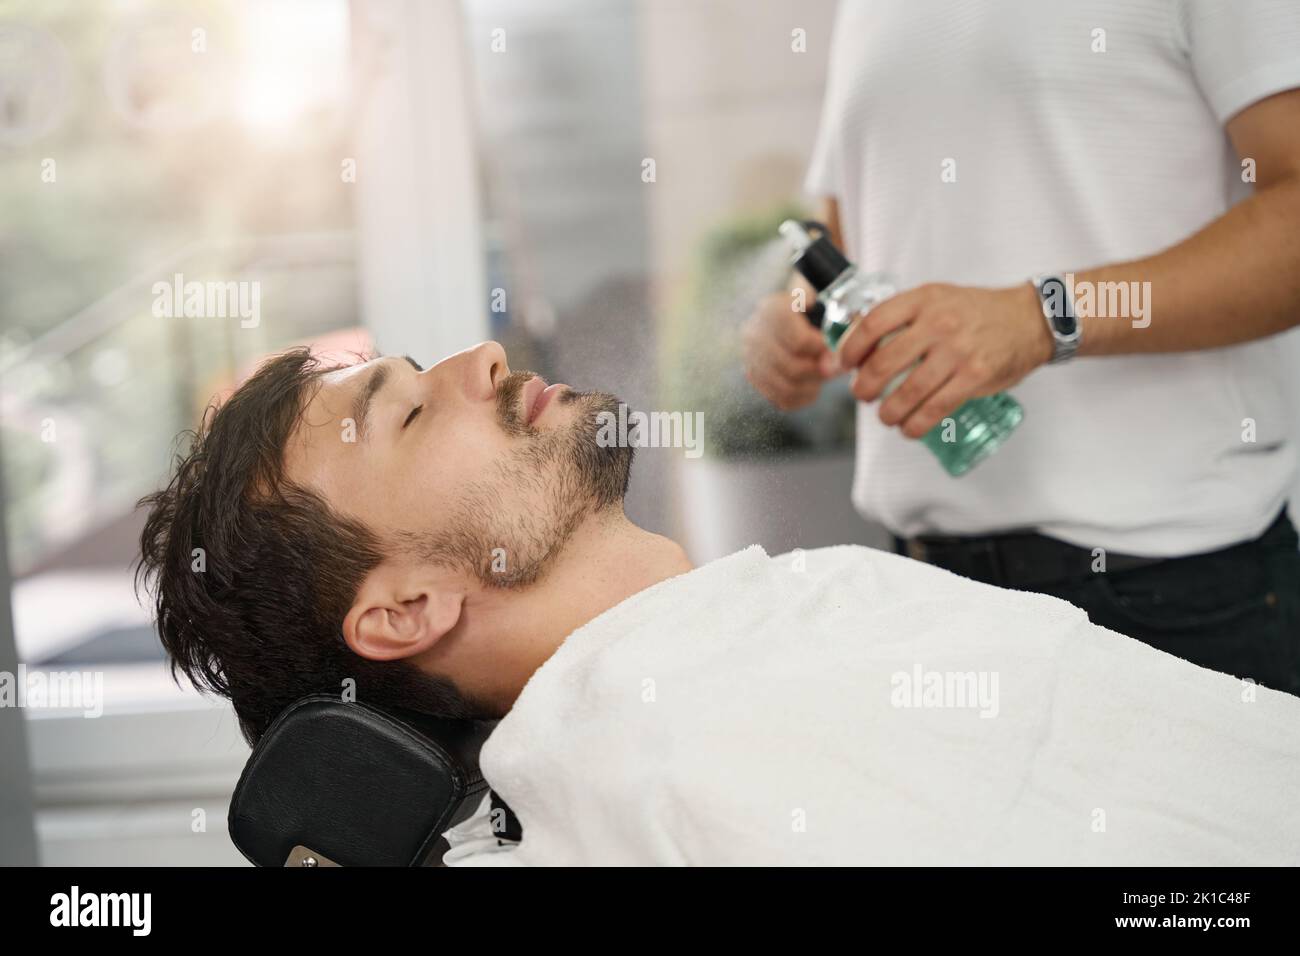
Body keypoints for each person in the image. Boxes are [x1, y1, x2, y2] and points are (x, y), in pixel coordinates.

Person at [138, 344, 1300, 865]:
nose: (480, 358)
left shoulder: (766, 627)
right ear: (405, 609)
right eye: (409, 413)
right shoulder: (666, 767)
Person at [743, 0, 1300, 694]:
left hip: (1168, 593)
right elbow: (844, 235)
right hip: (922, 589)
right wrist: (795, 311)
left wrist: (1046, 317)